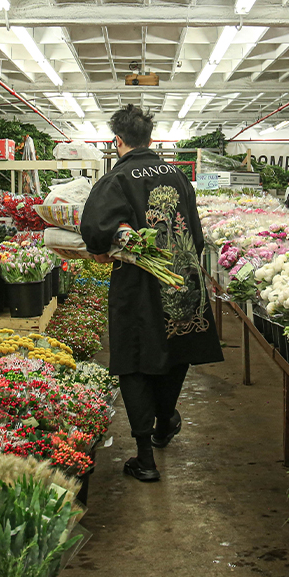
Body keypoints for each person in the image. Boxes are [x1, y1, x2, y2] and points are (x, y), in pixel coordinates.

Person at [80, 105, 224, 483]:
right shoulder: (177, 175)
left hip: (138, 284)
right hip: (181, 275)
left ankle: (145, 457)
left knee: (134, 361)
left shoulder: (117, 178)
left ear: (117, 140)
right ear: (151, 139)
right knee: (177, 351)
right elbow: (194, 231)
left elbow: (95, 230)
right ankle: (164, 422)